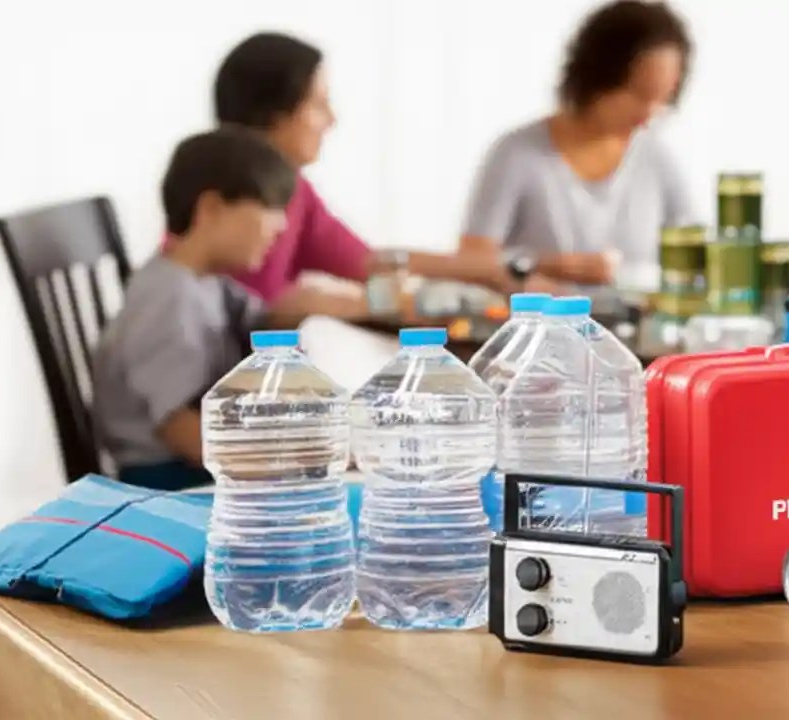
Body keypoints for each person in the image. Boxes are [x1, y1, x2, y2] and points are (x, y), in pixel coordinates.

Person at [211, 32, 522, 311]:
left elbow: (368, 263)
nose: (332, 120)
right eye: (319, 105)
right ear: (275, 114)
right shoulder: (226, 194)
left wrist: (496, 270)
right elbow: (265, 306)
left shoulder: (293, 190)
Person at [95, 128, 306, 490]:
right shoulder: (168, 299)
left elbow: (264, 320)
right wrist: (288, 466)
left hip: (188, 468)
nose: (282, 226)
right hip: (166, 481)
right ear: (211, 209)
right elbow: (183, 434)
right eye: (271, 208)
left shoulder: (205, 281)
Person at [459, 0, 698, 288]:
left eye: (662, 100)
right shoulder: (517, 154)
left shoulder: (657, 159)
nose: (649, 113)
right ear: (597, 75)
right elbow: (470, 262)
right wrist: (550, 265)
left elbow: (695, 257)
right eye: (638, 95)